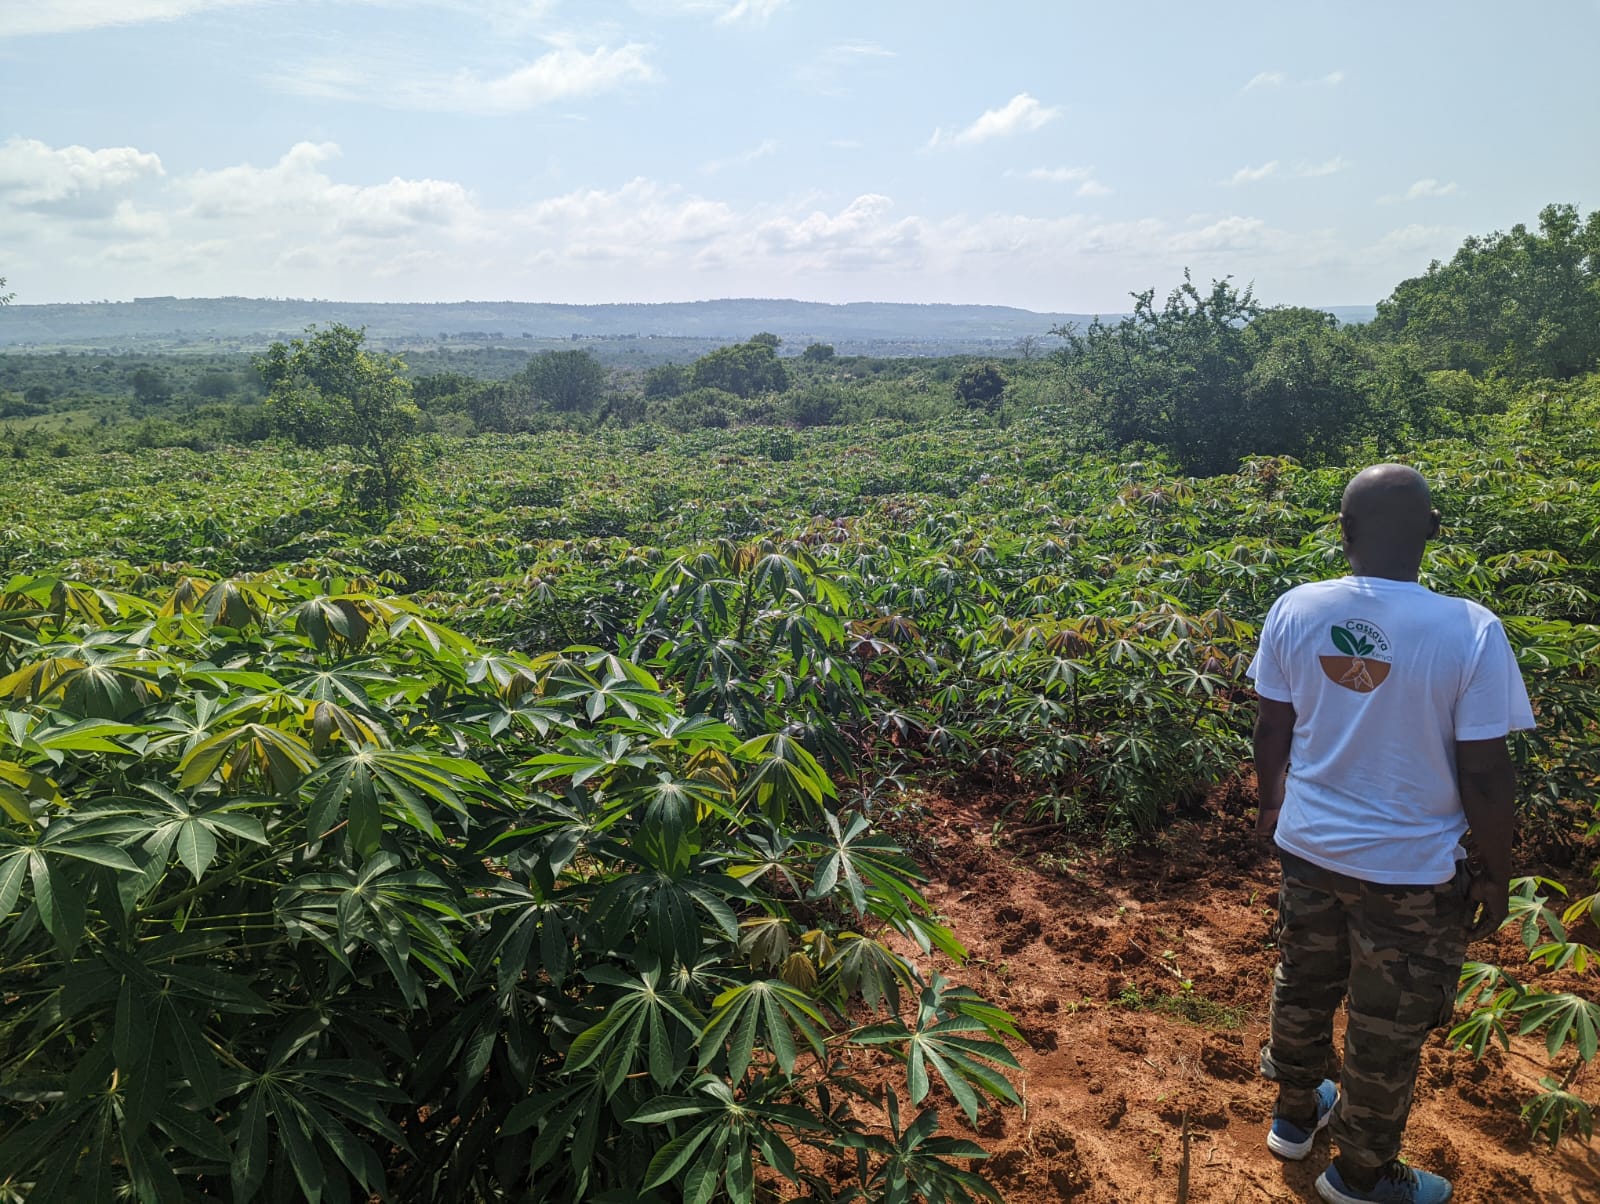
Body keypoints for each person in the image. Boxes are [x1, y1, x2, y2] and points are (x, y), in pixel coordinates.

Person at [1247, 463, 1534, 1204]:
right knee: (1386, 1026)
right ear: (1433, 531)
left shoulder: (1296, 607)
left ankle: (1294, 1118)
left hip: (1309, 847)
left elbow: (1272, 724)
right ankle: (1361, 1176)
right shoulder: (1468, 628)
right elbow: (1485, 774)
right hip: (1410, 871)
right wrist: (1496, 874)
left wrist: (1271, 807)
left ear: (1342, 532)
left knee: (1303, 984)